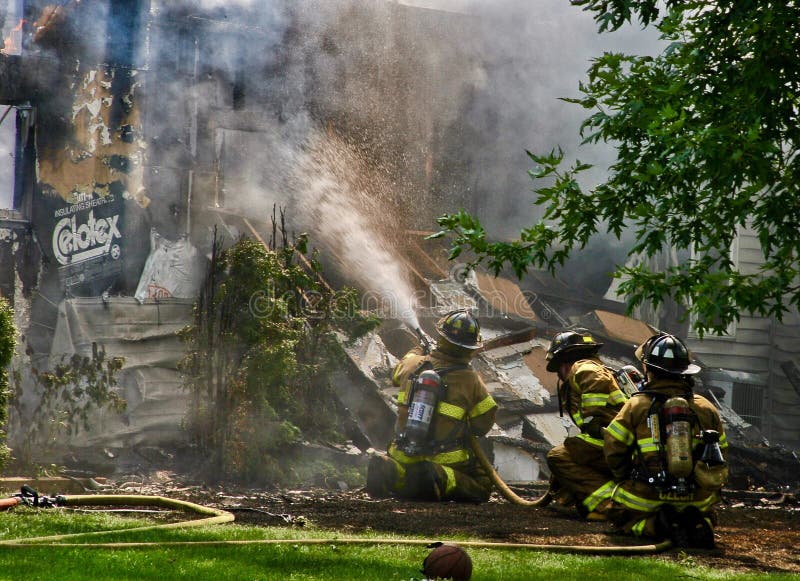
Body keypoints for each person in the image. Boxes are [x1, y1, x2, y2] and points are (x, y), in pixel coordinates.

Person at [604, 333, 728, 547]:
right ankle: (700, 523)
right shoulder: (706, 407)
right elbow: (722, 456)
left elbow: (614, 450)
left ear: (649, 370)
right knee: (704, 510)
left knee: (618, 513)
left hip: (647, 496)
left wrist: (624, 477)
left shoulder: (636, 405)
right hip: (698, 497)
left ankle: (657, 526)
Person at [366, 309, 498, 502]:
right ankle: (437, 478)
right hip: (442, 460)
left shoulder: (413, 364)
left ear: (441, 337)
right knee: (482, 486)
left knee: (404, 467)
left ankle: (389, 469)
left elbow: (396, 375)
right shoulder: (472, 381)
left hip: (403, 452)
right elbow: (481, 427)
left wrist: (420, 349)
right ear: (470, 347)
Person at [544, 329, 628, 519]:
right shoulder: (596, 368)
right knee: (569, 462)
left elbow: (595, 381)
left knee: (558, 456)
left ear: (563, 363)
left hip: (613, 442)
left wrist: (592, 420)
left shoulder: (584, 368)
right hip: (617, 442)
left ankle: (610, 506)